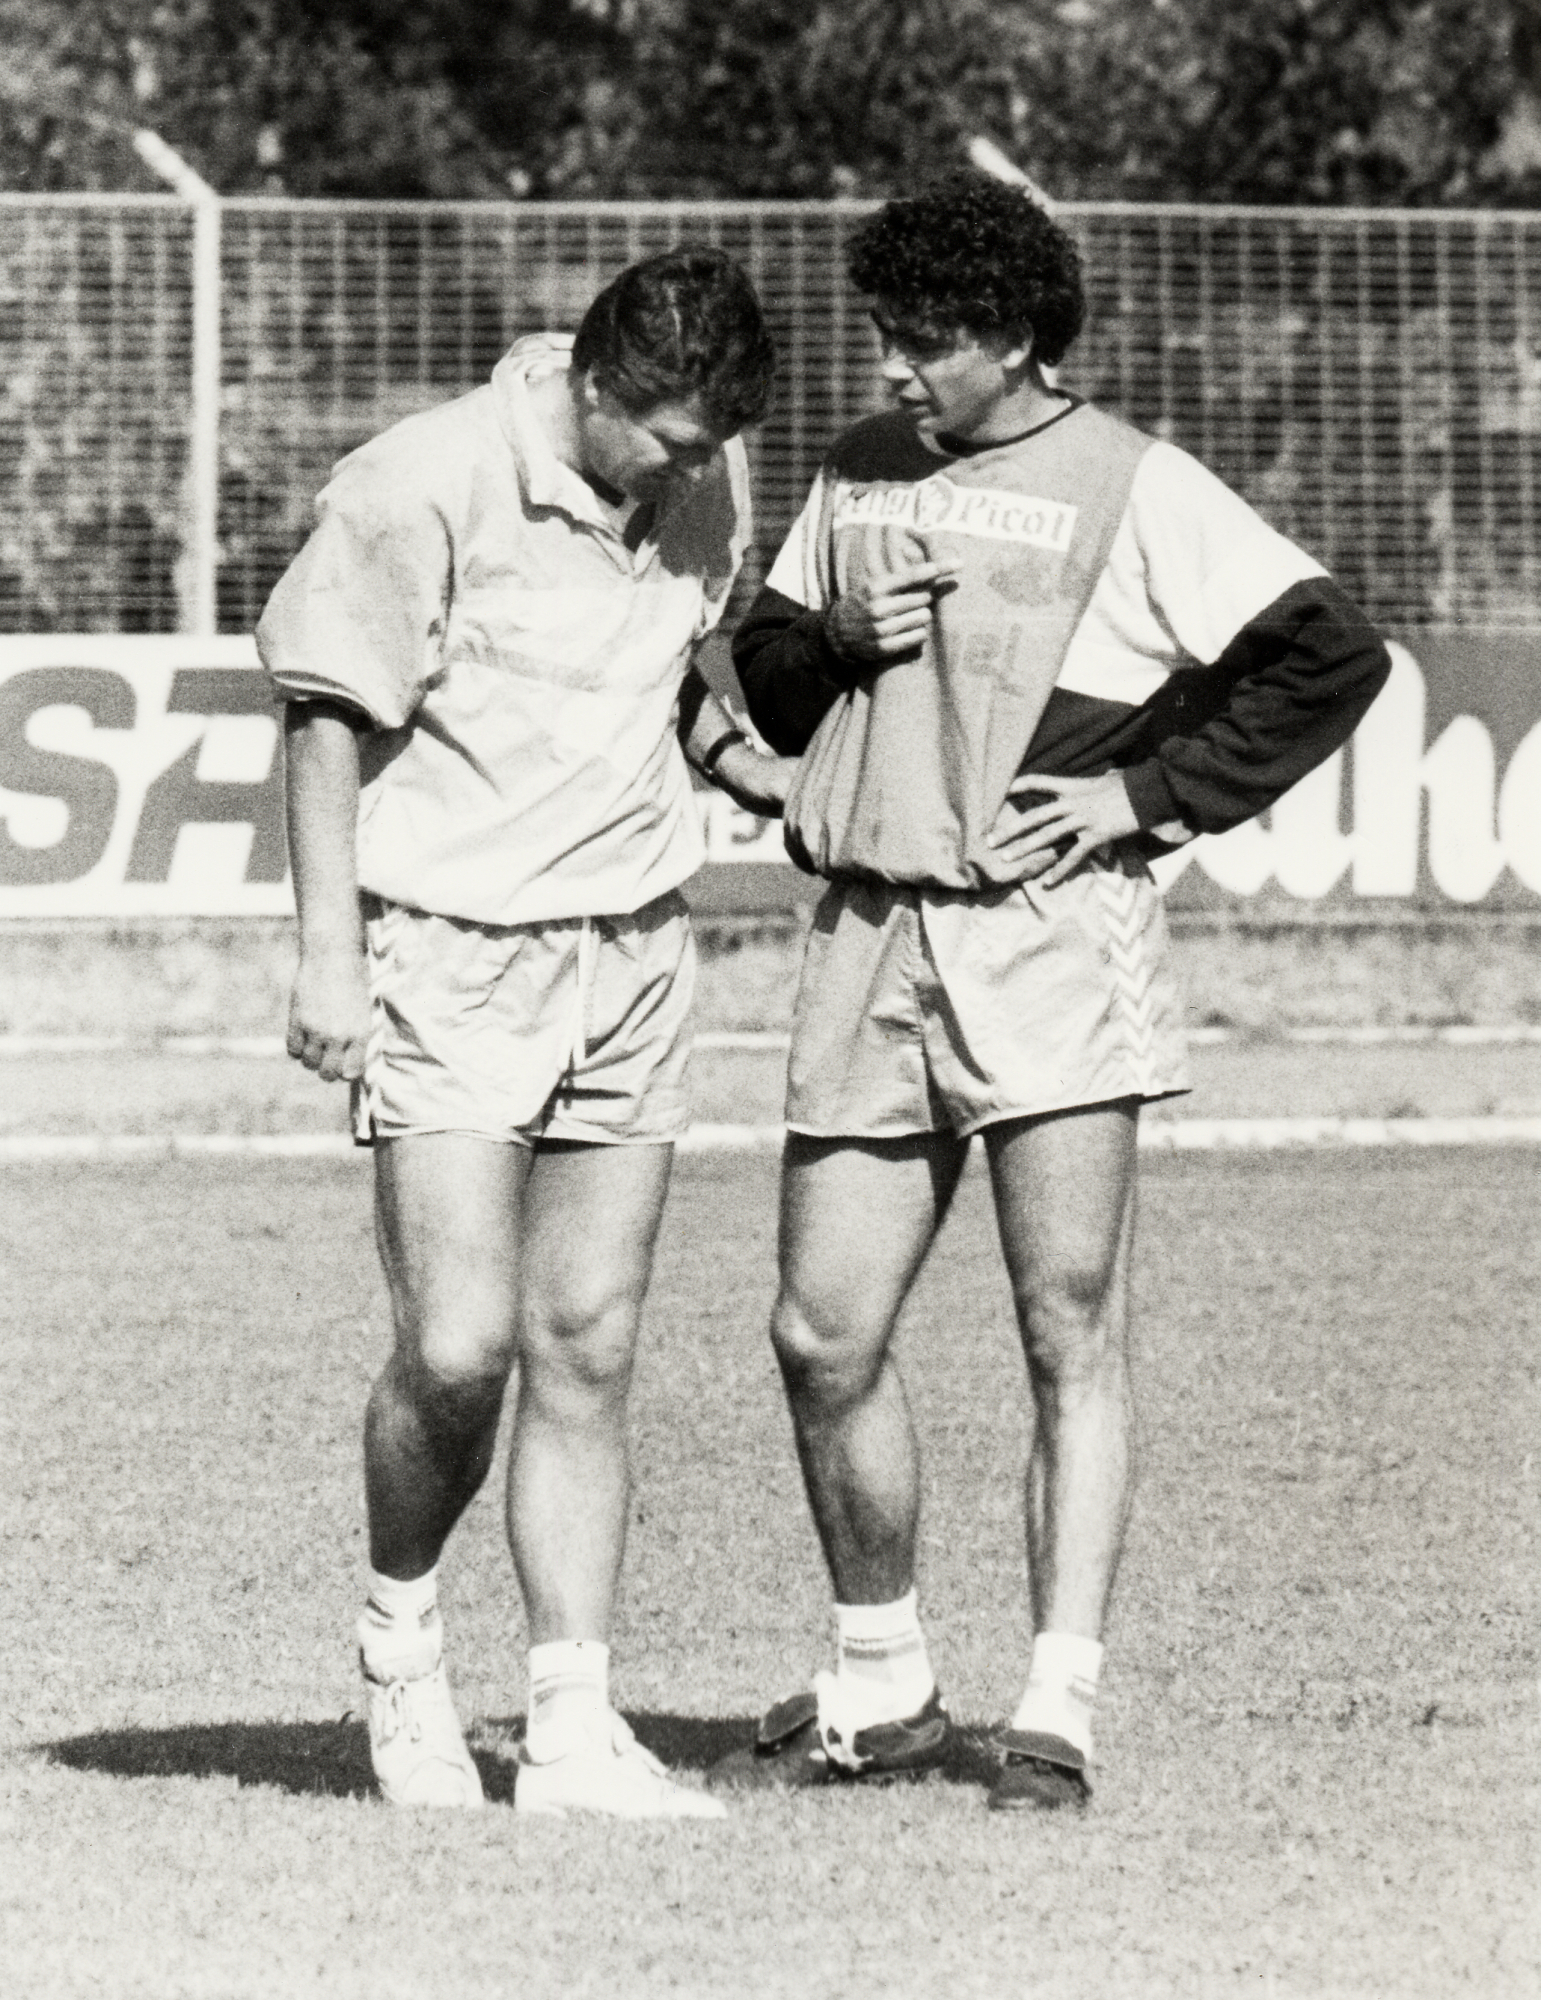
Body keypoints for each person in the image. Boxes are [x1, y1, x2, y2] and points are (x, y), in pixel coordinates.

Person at [716, 172, 1391, 1811]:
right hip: (870, 931)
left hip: (1044, 937)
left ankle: (1056, 1707)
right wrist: (842, 635)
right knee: (820, 1332)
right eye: (881, 334)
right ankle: (881, 1686)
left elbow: (1331, 653)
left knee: (1063, 1324)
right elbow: (779, 678)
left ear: (1012, 339)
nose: (890, 370)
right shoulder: (859, 470)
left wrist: (1143, 799)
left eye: (923, 342)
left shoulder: (1135, 484)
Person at [258, 247, 786, 1820]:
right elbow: (325, 721)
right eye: (672, 439)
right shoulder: (422, 481)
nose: (694, 472)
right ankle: (404, 1655)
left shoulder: (704, 482)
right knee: (457, 1342)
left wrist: (742, 759)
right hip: (448, 954)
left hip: (631, 954)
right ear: (595, 384)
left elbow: (669, 678)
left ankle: (568, 1725)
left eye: (712, 445)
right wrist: (329, 957)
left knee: (590, 1347)